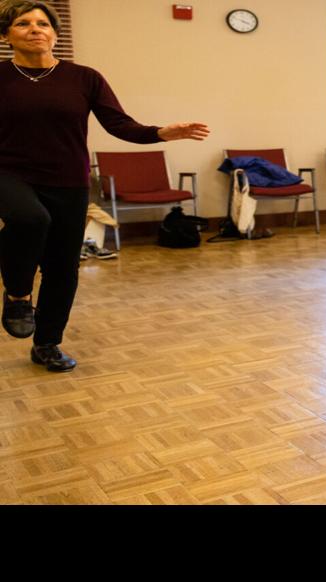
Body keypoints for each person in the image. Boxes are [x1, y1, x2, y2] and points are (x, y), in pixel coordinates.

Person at [0, 1, 207, 371]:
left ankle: (47, 343)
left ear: (54, 35)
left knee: (62, 268)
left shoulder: (84, 78)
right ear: (6, 35)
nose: (35, 29)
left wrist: (161, 132)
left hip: (68, 179)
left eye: (44, 23)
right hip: (9, 174)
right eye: (23, 23)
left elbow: (119, 125)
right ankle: (17, 294)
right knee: (30, 219)